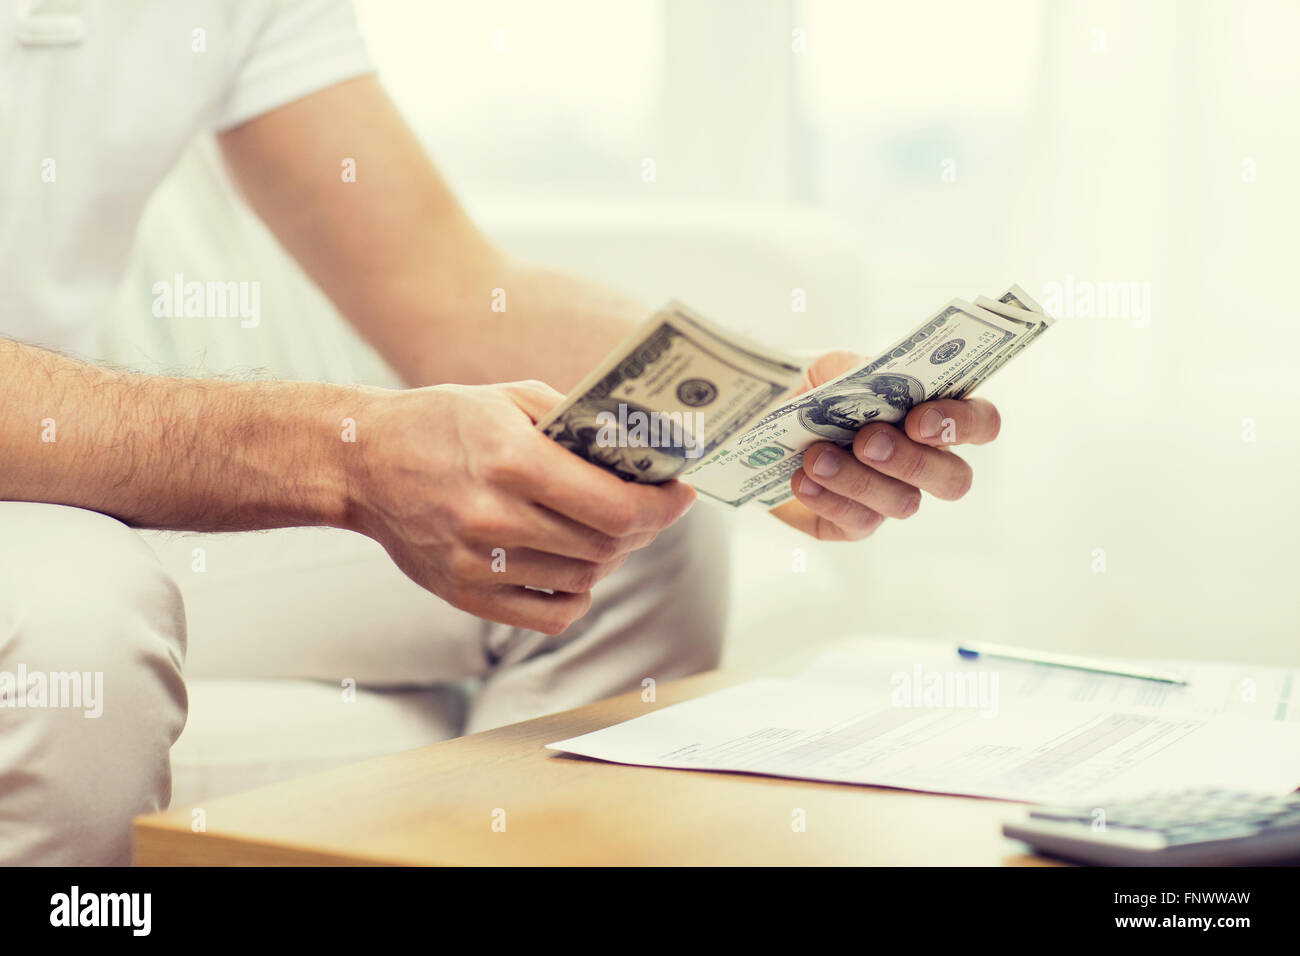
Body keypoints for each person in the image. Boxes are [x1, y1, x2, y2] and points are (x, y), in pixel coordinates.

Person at [0, 0, 1001, 864]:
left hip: (93, 489)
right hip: (46, 530)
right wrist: (346, 452)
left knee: (620, 521)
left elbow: (445, 290)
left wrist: (768, 418)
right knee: (79, 612)